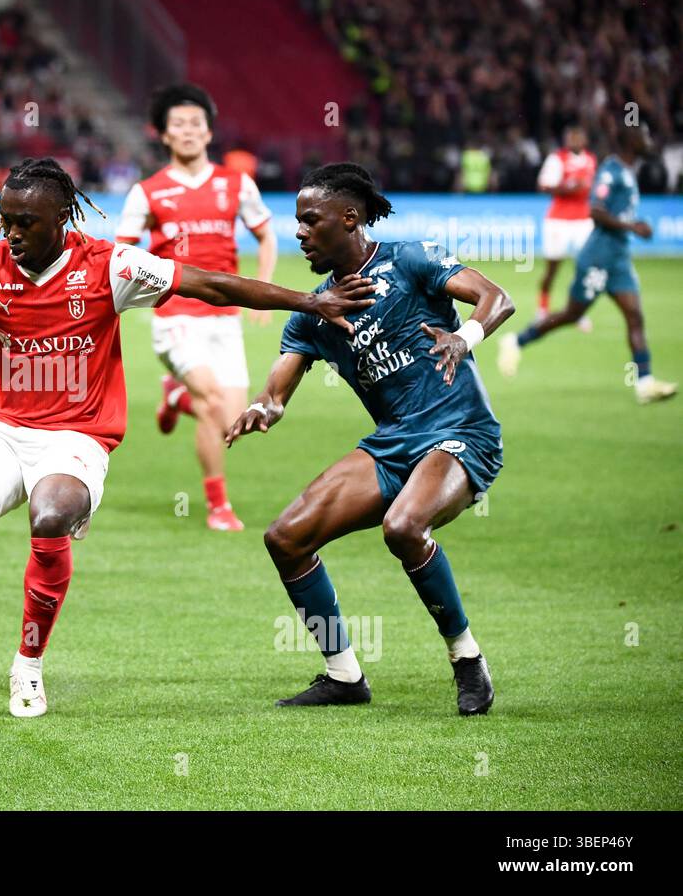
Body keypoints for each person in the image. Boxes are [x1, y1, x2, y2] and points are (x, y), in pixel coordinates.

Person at [0, 157, 374, 719]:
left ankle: (27, 668)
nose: (11, 233)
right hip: (2, 429)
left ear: (62, 219)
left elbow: (208, 284)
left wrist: (308, 300)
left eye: (25, 222)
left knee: (50, 514)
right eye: (5, 220)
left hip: (77, 435)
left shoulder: (110, 266)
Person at [226, 163, 514, 716]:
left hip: (461, 433)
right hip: (395, 443)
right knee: (286, 537)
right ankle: (343, 675)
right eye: (297, 222)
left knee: (404, 526)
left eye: (311, 221)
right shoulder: (315, 313)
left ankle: (466, 657)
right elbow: (278, 392)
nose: (300, 233)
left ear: (349, 218)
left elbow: (496, 298)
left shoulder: (410, 259)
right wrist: (263, 408)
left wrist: (463, 335)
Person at [116, 84, 278, 532]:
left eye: (195, 123)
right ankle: (218, 506)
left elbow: (266, 235)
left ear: (209, 132)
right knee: (209, 404)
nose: (187, 130)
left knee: (234, 422)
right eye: (178, 124)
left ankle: (174, 395)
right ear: (164, 135)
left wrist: (261, 287)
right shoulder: (147, 193)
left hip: (225, 320)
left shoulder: (236, 184)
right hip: (175, 318)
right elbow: (120, 254)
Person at [498, 125, 676, 404]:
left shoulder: (629, 171)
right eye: (644, 135)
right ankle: (516, 341)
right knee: (570, 314)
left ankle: (645, 382)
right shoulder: (611, 171)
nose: (648, 140)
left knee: (635, 315)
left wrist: (631, 229)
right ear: (630, 140)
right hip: (597, 258)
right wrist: (633, 226)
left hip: (618, 259)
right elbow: (595, 211)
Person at [536, 126, 596, 331]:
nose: (574, 140)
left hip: (583, 221)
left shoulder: (591, 159)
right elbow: (543, 186)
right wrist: (568, 187)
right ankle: (542, 309)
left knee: (584, 268)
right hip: (558, 220)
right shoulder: (557, 159)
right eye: (571, 137)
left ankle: (577, 313)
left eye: (578, 136)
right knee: (552, 269)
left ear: (584, 139)